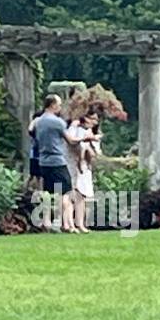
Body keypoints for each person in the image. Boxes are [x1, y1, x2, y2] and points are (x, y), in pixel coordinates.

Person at [32, 94, 95, 232]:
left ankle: (48, 222)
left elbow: (31, 132)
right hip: (57, 161)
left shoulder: (39, 121)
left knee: (49, 192)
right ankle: (67, 225)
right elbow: (71, 141)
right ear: (53, 105)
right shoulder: (58, 122)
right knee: (66, 193)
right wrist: (85, 137)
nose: (60, 108)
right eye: (59, 105)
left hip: (43, 161)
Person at [67, 109, 100, 233]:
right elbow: (71, 142)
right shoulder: (75, 129)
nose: (95, 122)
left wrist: (91, 141)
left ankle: (80, 223)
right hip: (73, 165)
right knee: (71, 194)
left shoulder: (91, 133)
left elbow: (95, 154)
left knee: (82, 196)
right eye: (93, 119)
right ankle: (70, 224)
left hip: (85, 167)